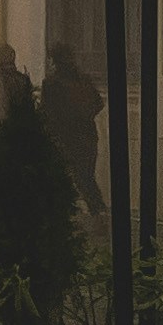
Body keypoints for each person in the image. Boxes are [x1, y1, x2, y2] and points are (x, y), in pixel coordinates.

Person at [39, 40, 105, 206]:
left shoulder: (51, 83)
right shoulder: (83, 79)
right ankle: (99, 211)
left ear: (54, 59)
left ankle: (65, 213)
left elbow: (46, 113)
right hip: (87, 136)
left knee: (57, 179)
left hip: (63, 138)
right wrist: (84, 115)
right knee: (86, 178)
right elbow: (98, 103)